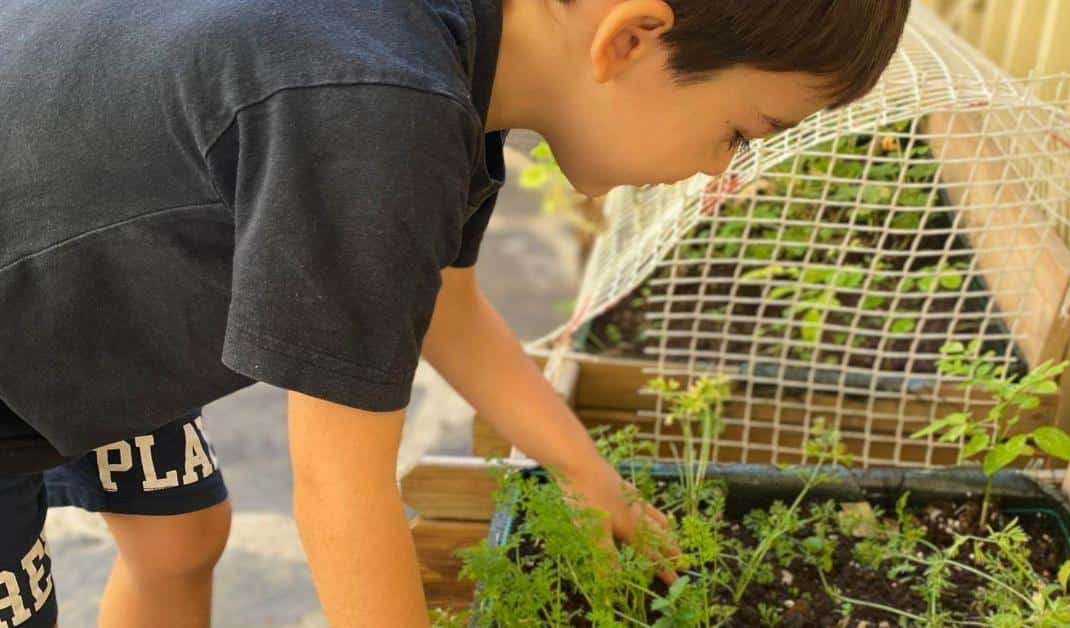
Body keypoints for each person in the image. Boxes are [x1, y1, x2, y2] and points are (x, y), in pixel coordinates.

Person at [0, 0, 910, 625]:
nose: (724, 172)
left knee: (183, 536)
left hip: (82, 282)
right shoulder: (380, 112)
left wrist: (585, 470)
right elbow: (340, 484)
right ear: (632, 38)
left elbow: (447, 305)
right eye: (741, 132)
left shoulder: (454, 55)